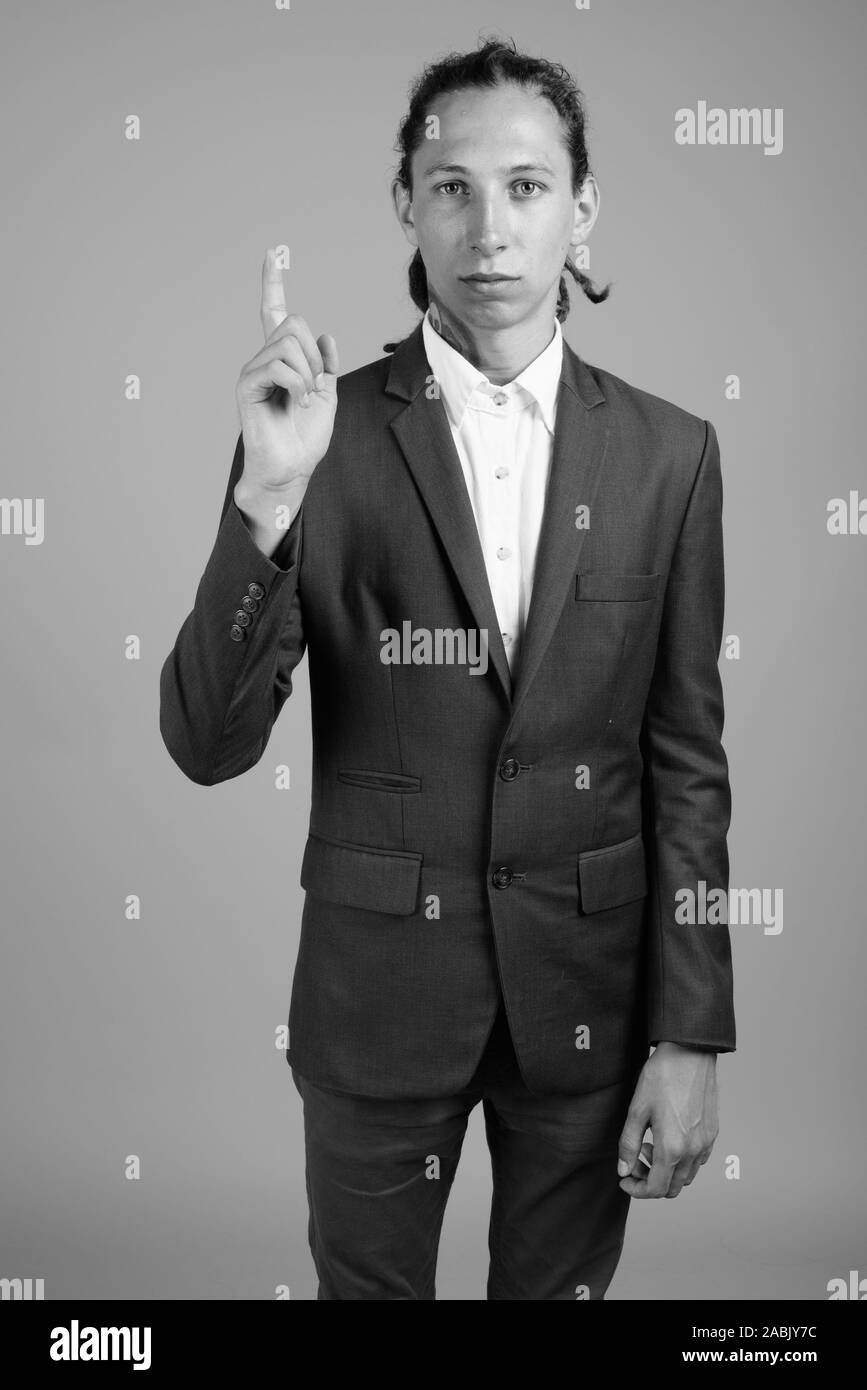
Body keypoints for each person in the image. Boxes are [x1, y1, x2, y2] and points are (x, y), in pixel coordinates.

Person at [160, 36, 735, 1300]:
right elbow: (207, 743)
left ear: (583, 210)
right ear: (406, 205)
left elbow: (688, 764)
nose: (490, 227)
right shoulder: (321, 435)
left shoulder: (670, 456)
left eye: (528, 187)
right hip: (376, 1005)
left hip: (584, 1002)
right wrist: (264, 502)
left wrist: (691, 1032)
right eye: (453, 186)